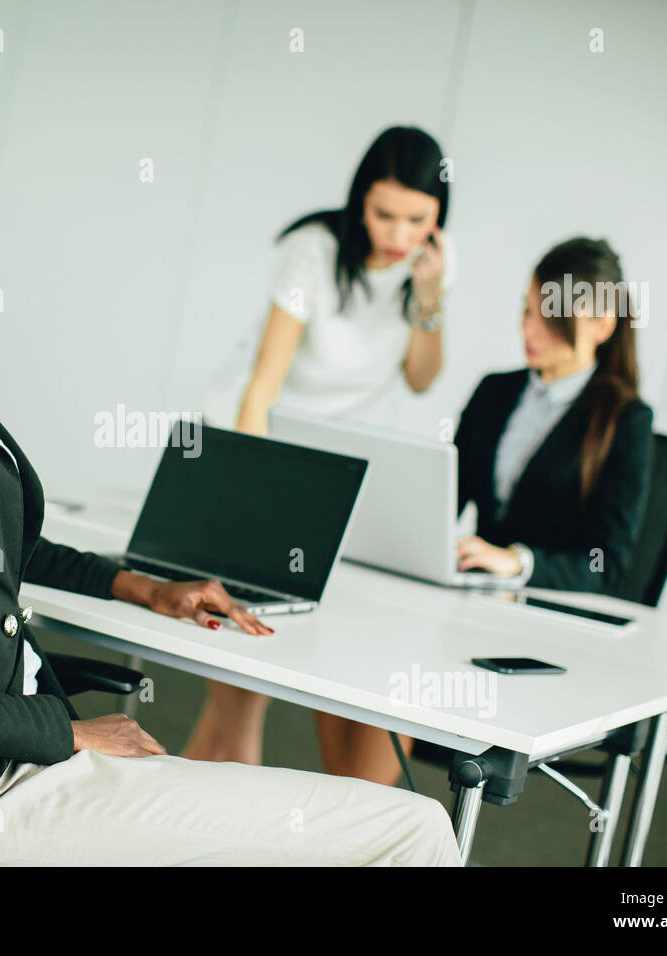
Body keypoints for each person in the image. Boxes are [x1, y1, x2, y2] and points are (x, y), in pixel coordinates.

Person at [0, 15, 461, 865]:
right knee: (410, 828)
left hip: (12, 759)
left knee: (388, 825)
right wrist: (61, 731)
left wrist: (146, 588)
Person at [322, 236, 654, 785]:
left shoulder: (624, 421)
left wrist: (516, 561)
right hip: (470, 609)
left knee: (404, 667)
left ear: (600, 325)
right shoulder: (495, 392)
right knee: (346, 636)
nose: (530, 330)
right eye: (527, 311)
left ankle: (346, 822)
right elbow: (443, 504)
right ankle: (350, 820)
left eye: (552, 318)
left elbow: (609, 563)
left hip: (542, 634)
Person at [187, 126, 456, 766]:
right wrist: (255, 502)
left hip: (319, 473)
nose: (397, 233)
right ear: (359, 201)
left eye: (416, 218)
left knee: (268, 667)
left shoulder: (431, 269)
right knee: (242, 682)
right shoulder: (315, 251)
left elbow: (421, 379)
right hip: (249, 447)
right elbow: (260, 393)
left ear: (439, 215)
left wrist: (430, 301)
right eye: (383, 213)